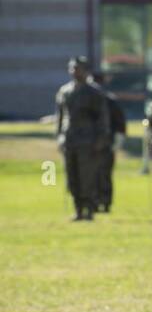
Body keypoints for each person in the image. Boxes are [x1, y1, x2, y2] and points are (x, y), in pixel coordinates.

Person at [54, 56, 111, 221]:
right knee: (72, 176)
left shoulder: (94, 92)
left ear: (86, 71)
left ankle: (89, 209)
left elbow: (102, 118)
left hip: (88, 141)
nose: (74, 71)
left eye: (78, 68)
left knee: (87, 176)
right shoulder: (64, 91)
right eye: (72, 68)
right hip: (69, 140)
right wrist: (59, 137)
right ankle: (78, 209)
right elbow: (60, 116)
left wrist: (101, 139)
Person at [89, 73, 126, 213]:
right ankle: (92, 202)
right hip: (88, 144)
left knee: (104, 174)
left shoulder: (110, 101)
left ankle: (105, 202)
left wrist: (118, 141)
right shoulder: (88, 100)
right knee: (90, 175)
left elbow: (119, 122)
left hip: (106, 144)